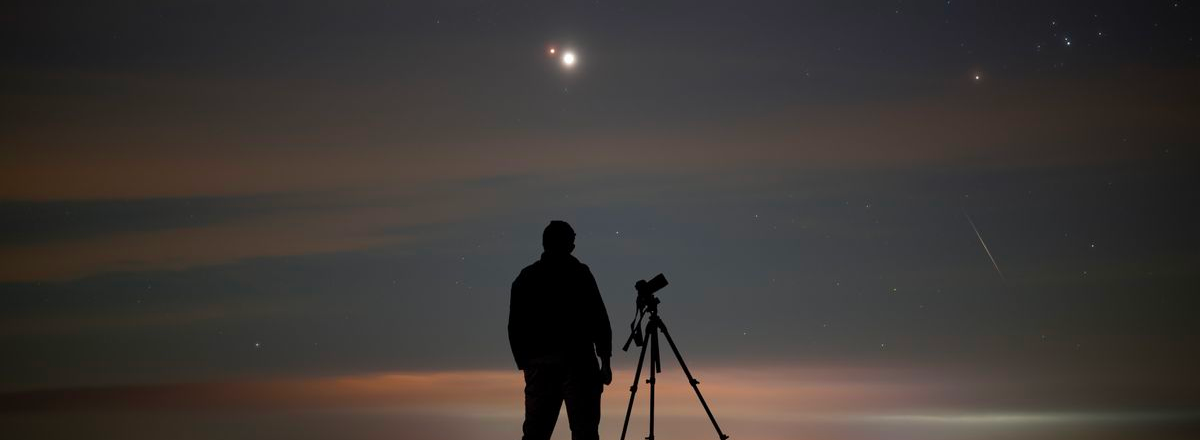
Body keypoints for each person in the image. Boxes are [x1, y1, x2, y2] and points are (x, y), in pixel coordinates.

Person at [509, 220, 613, 440]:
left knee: (537, 433)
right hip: (578, 364)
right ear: (565, 244)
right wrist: (605, 361)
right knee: (584, 432)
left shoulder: (526, 277)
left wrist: (527, 363)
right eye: (571, 241)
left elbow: (515, 326)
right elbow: (599, 318)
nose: (574, 246)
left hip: (544, 366)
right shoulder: (580, 273)